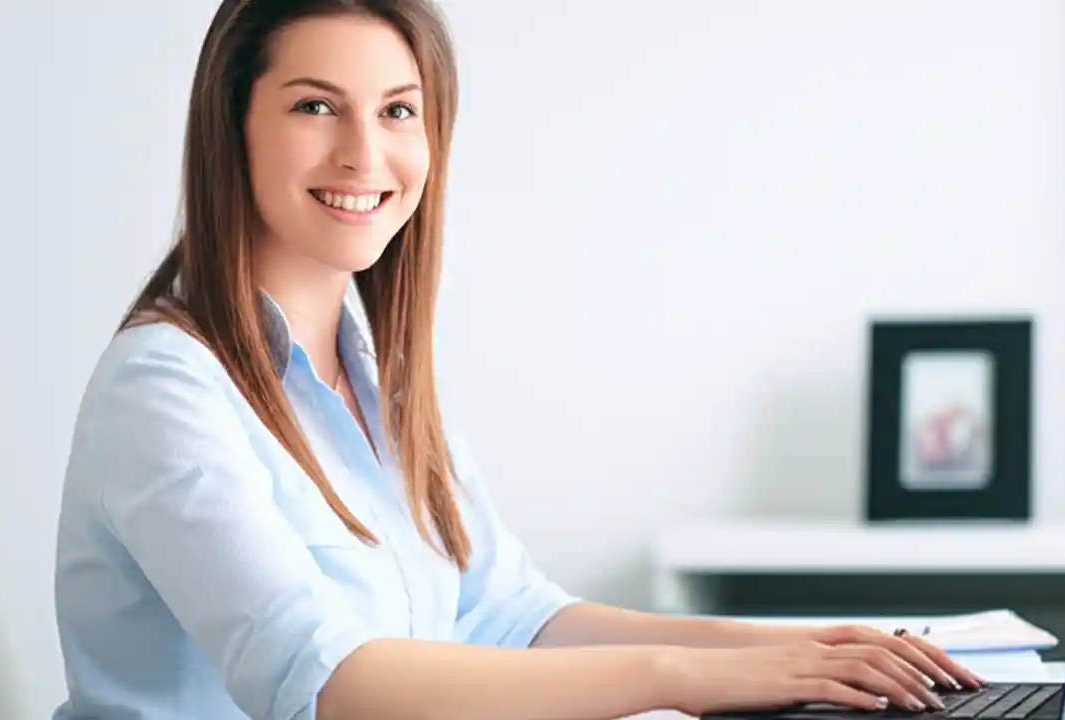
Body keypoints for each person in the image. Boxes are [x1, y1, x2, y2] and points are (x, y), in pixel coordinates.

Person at [52, 1, 986, 718]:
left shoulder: (380, 380)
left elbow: (512, 616)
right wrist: (689, 678)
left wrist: (801, 652)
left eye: (398, 110)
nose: (364, 153)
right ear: (233, 127)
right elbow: (329, 684)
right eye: (315, 107)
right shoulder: (165, 389)